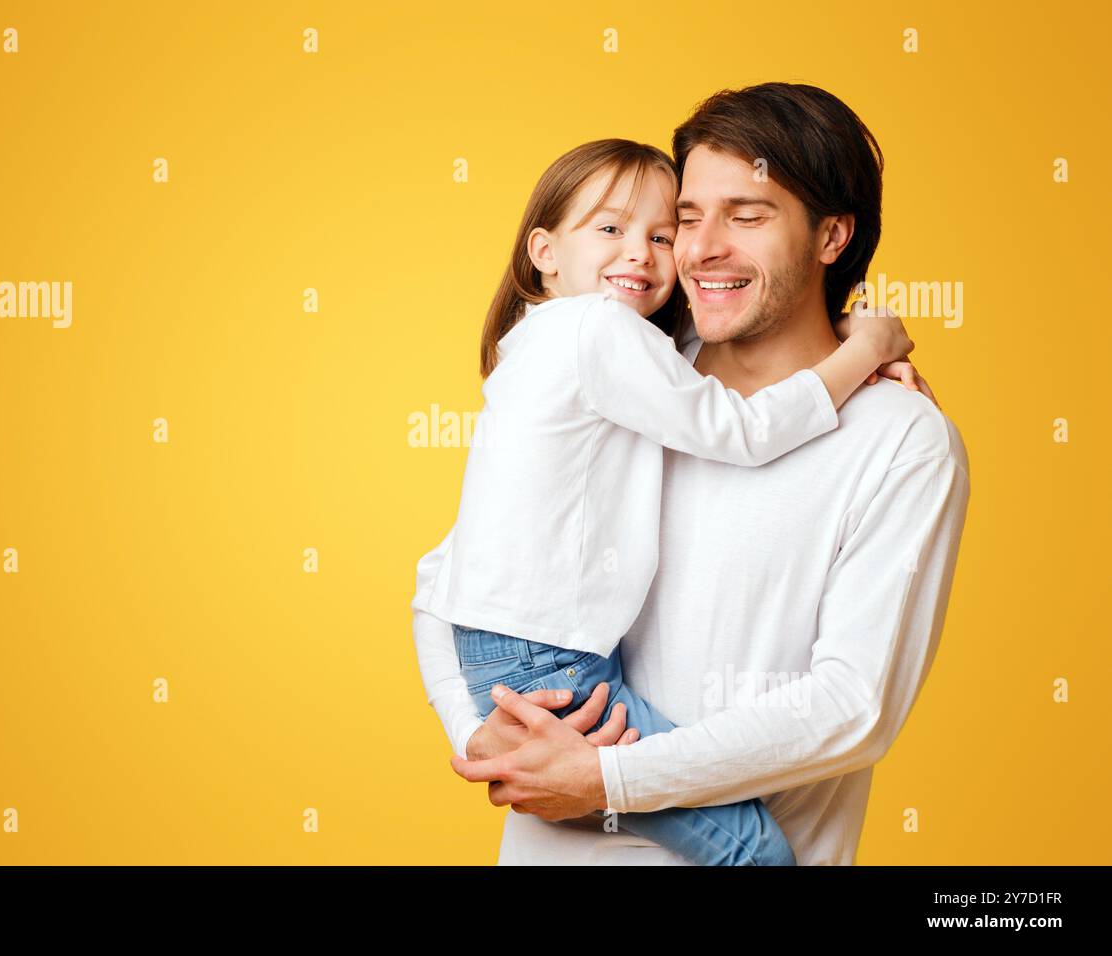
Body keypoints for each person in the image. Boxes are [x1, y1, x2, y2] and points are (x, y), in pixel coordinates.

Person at [414, 83, 969, 866]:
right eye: (686, 218)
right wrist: (476, 732)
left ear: (832, 236)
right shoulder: (632, 386)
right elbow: (448, 580)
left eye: (747, 215)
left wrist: (607, 778)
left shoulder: (900, 439)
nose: (703, 247)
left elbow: (851, 709)